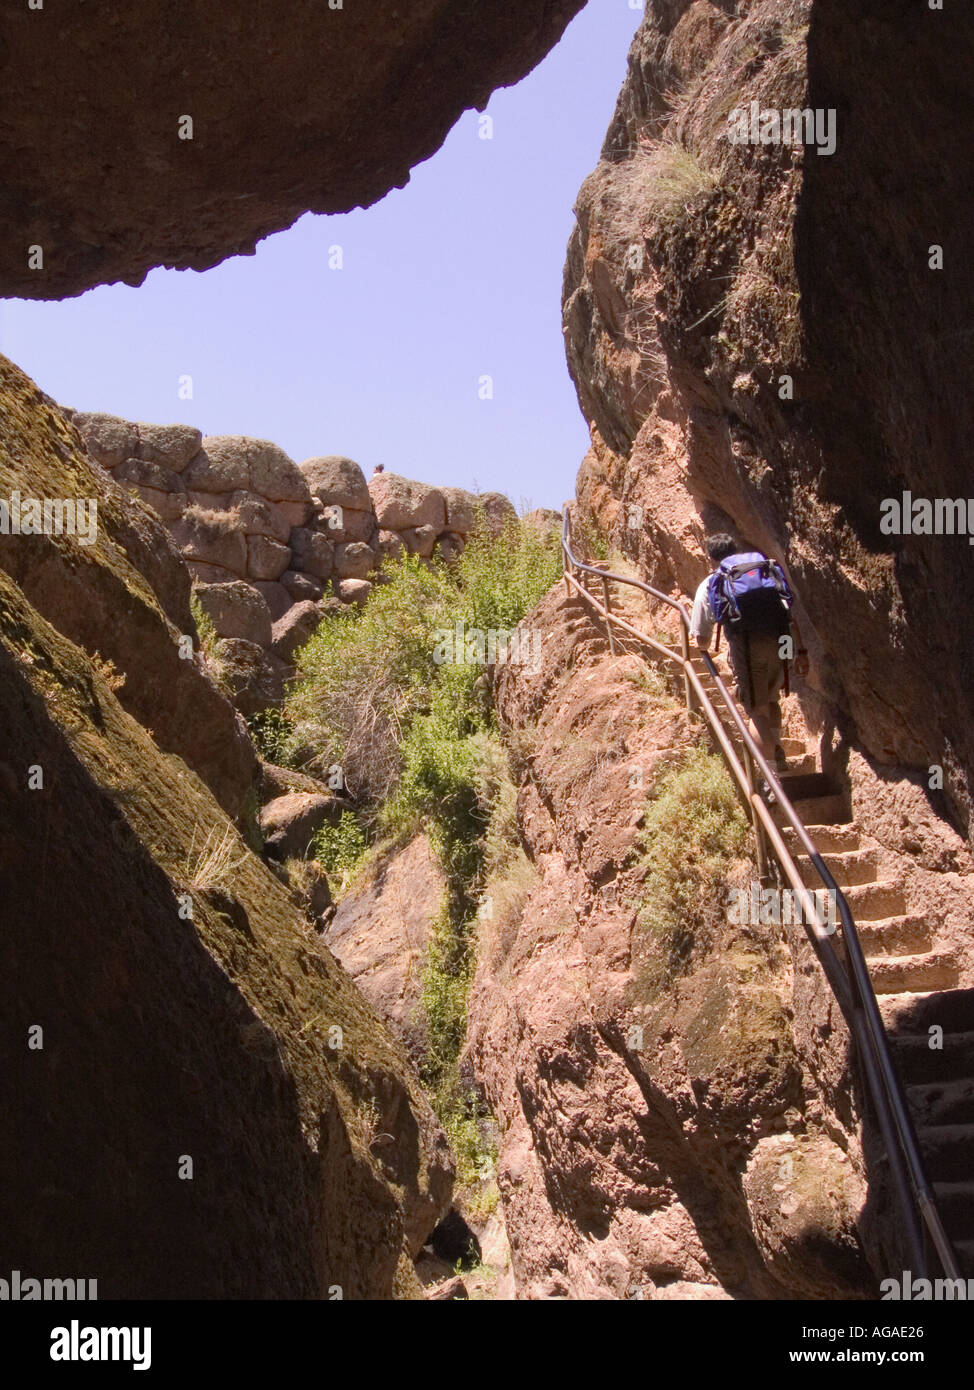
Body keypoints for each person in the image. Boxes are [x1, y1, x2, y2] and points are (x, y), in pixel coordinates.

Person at [690, 533, 808, 771]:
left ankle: (770, 775)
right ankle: (776, 750)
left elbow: (702, 640)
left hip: (748, 645)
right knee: (771, 699)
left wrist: (702, 647)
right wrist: (801, 651)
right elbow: (788, 612)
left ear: (710, 557)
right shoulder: (763, 571)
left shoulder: (713, 582)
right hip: (781, 641)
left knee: (756, 710)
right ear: (736, 550)